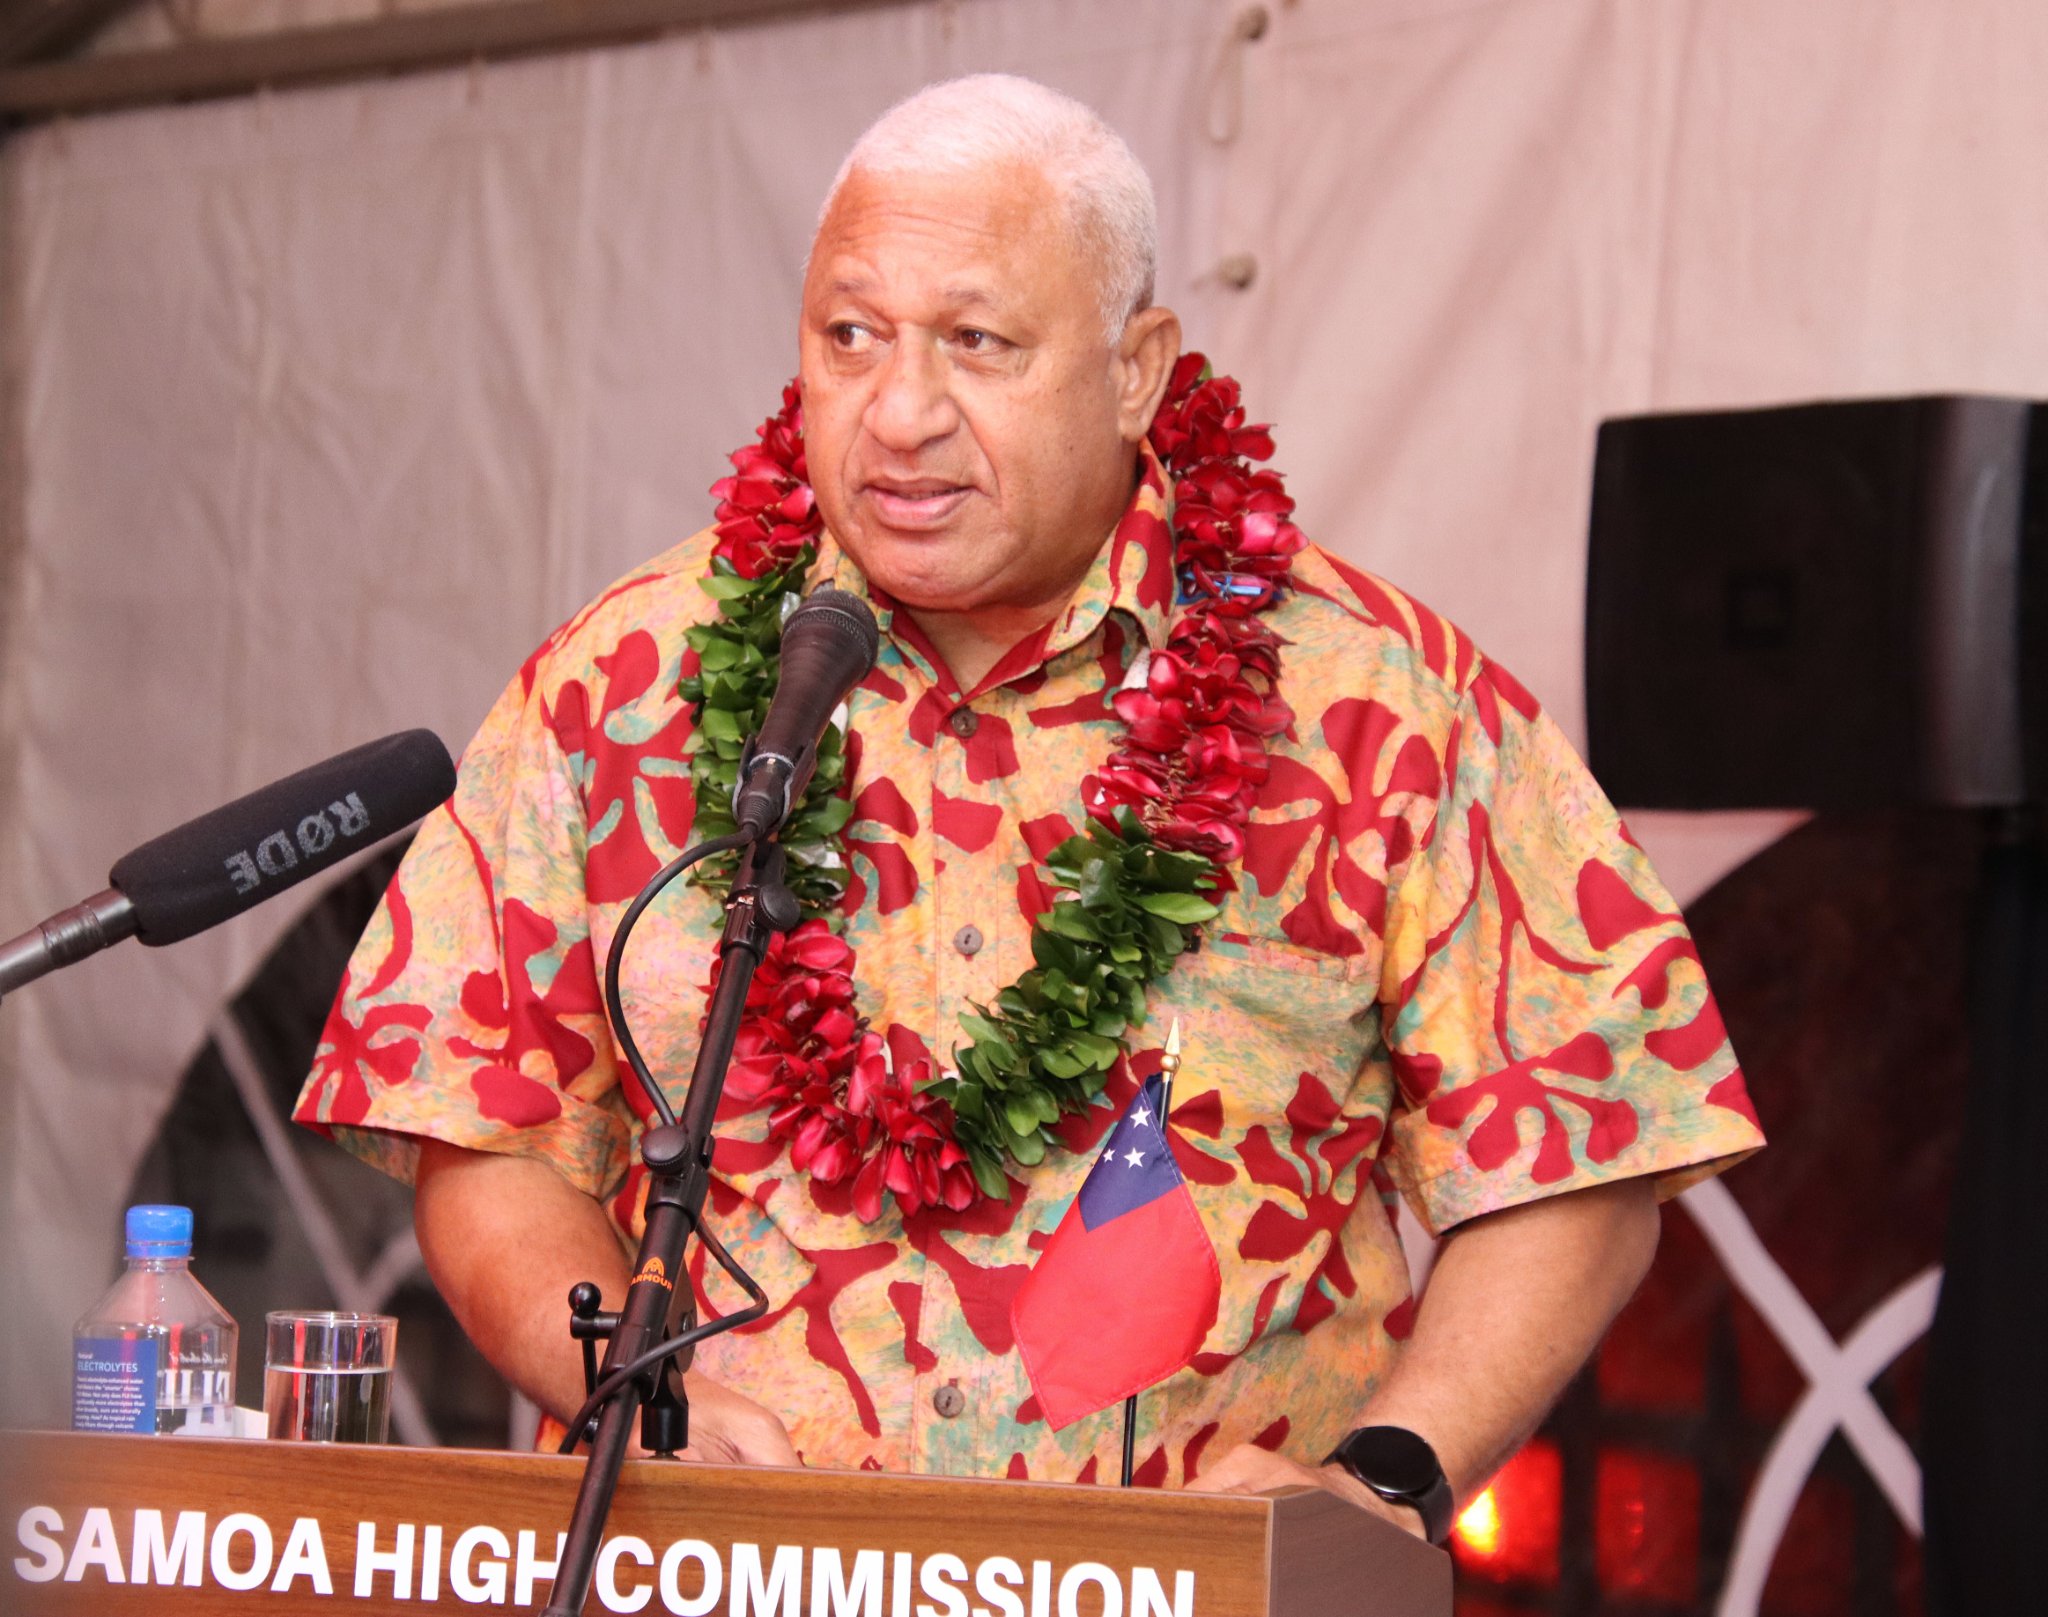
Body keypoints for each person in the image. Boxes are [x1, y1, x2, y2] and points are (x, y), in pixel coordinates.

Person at [294, 74, 1763, 1541]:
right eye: (849, 338)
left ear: (1137, 371)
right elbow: (481, 1125)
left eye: (978, 342)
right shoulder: (623, 680)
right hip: (719, 1572)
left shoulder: (1383, 705)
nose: (901, 412)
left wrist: (1388, 1473)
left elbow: (1588, 1146)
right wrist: (627, 1390)